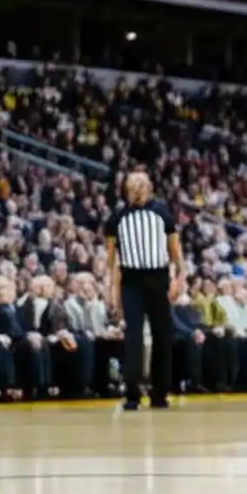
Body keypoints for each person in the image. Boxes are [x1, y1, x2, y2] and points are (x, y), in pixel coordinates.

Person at [105, 171, 186, 411]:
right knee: (133, 336)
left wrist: (179, 278)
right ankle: (132, 393)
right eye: (134, 185)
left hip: (158, 278)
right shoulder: (116, 219)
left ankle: (159, 393)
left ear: (149, 188)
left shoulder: (163, 214)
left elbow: (175, 253)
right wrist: (112, 291)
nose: (138, 189)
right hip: (131, 281)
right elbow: (112, 262)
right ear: (127, 189)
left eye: (141, 185)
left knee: (162, 335)